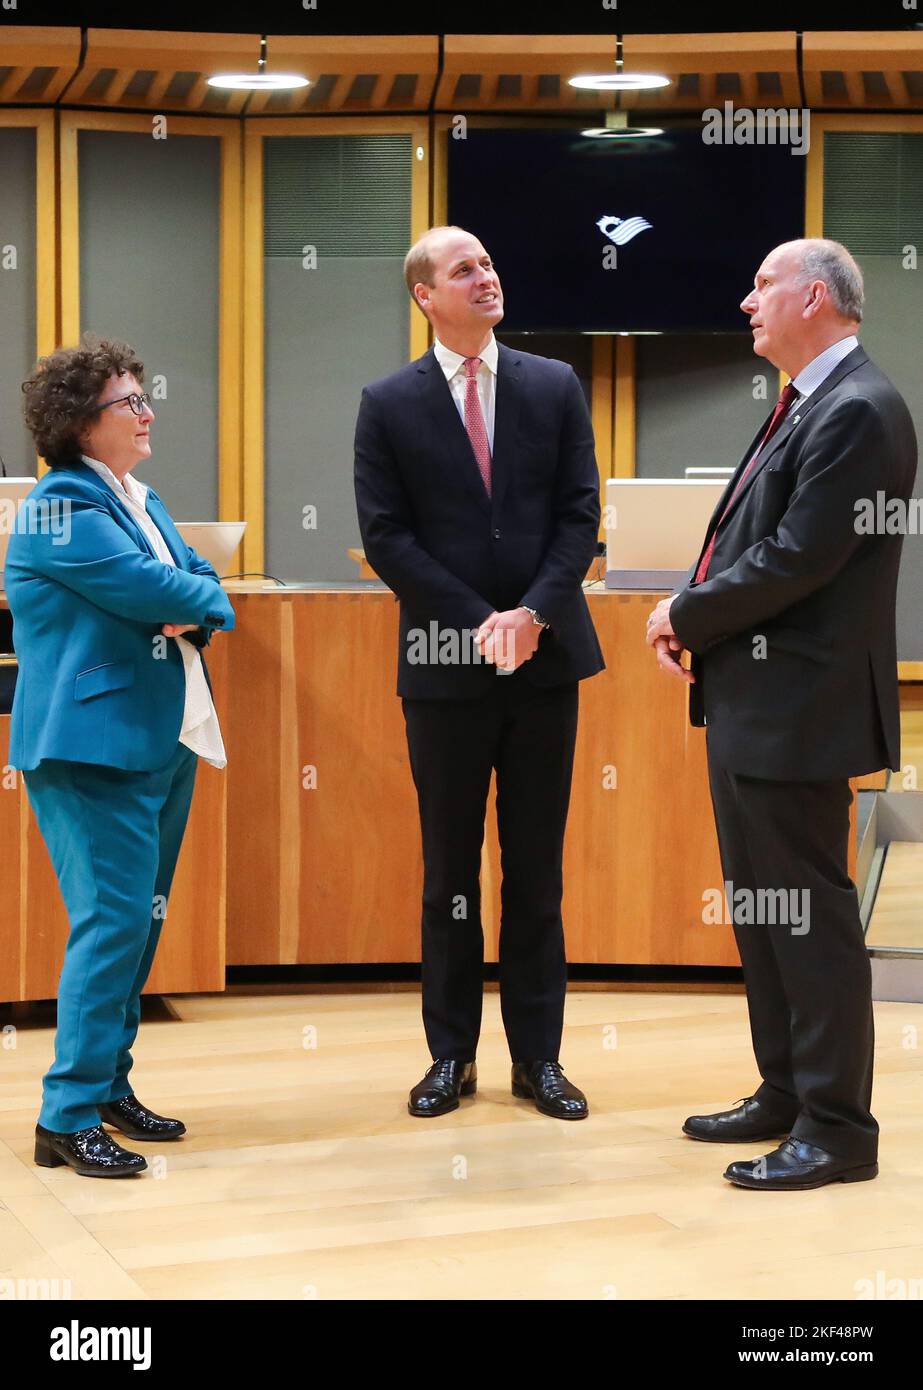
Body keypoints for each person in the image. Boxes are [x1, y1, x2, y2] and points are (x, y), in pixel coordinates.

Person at [646, 239, 917, 1189]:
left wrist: (685, 612)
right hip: (756, 699)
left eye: (761, 284)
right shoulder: (811, 401)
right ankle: (786, 1090)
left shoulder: (860, 409)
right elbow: (741, 538)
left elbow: (801, 557)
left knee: (808, 918)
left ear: (813, 297)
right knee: (765, 917)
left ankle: (839, 1129)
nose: (746, 299)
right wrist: (700, 623)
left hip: (801, 707)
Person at [354, 225, 604, 1120]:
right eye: (465, 269)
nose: (486, 277)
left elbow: (581, 517)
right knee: (447, 874)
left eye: (490, 263)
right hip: (444, 670)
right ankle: (448, 1057)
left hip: (545, 663)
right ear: (425, 295)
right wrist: (479, 623)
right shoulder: (387, 402)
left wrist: (532, 614)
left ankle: (539, 1060)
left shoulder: (553, 384)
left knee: (536, 873)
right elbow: (387, 538)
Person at [6, 334, 236, 1178]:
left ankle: (107, 1084)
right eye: (128, 402)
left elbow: (200, 578)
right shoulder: (60, 507)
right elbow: (158, 589)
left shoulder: (138, 495)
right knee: (110, 926)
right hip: (91, 746)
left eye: (143, 397)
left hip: (160, 736)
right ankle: (64, 1117)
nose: (147, 412)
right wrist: (192, 596)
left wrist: (197, 599)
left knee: (138, 925)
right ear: (79, 422)